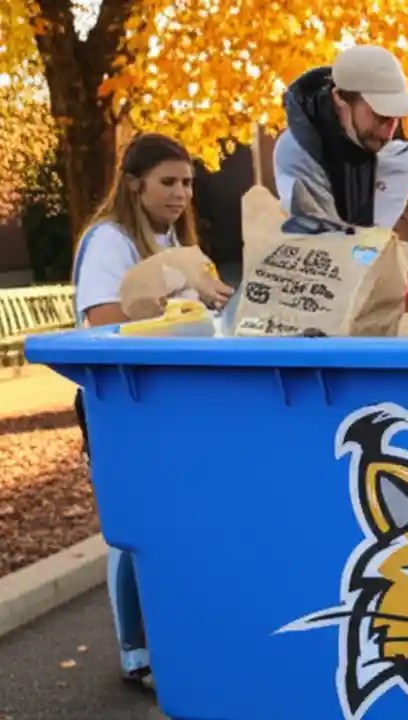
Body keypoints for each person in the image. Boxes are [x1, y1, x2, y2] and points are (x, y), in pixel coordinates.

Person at [71, 132, 232, 691]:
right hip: (121, 399)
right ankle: (137, 652)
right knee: (133, 524)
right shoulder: (109, 240)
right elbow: (102, 321)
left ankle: (178, 639)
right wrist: (175, 305)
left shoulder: (174, 241)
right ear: (135, 184)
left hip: (173, 399)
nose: (180, 193)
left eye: (187, 183)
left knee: (178, 521)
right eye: (168, 182)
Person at [273, 44, 408, 237]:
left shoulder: (396, 147)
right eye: (380, 114)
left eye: (397, 116)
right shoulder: (298, 149)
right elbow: (319, 239)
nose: (389, 130)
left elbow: (377, 232)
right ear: (339, 98)